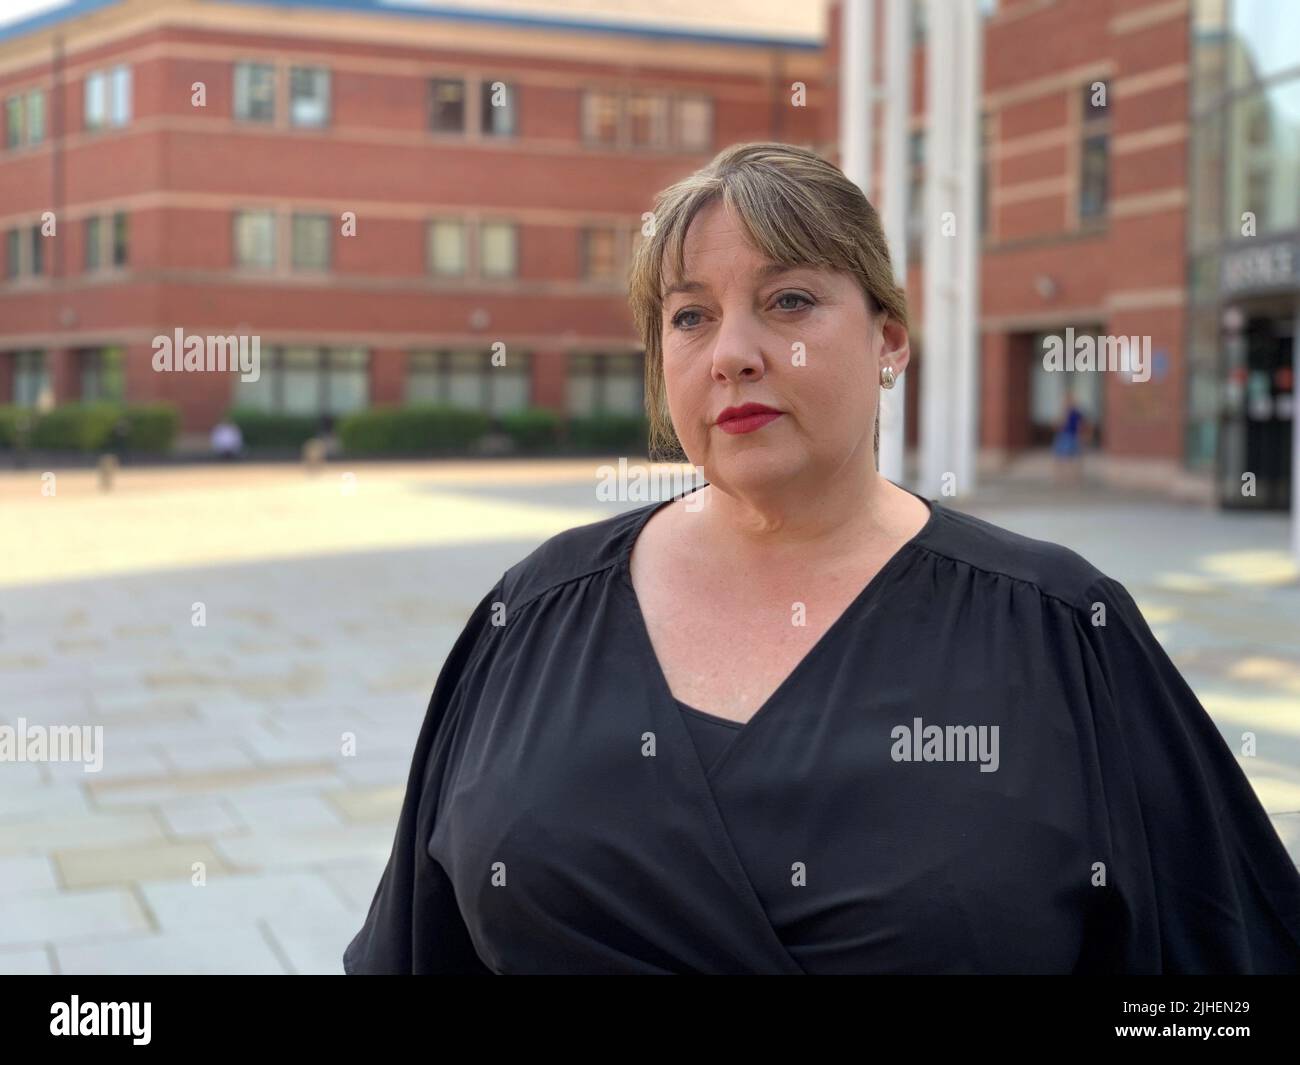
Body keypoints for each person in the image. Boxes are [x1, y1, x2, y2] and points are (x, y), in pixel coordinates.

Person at [344, 142, 1300, 975]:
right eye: (690, 316)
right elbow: (416, 950)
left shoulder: (1059, 627)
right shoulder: (534, 616)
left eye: (789, 299)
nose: (733, 353)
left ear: (889, 341)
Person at [1052, 390, 1089, 484]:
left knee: (1074, 457)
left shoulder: (1076, 413)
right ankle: (1061, 477)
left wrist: (1083, 436)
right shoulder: (1065, 412)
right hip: (1064, 435)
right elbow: (1058, 424)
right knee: (1060, 457)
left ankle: (1074, 477)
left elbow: (1082, 425)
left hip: (1072, 436)